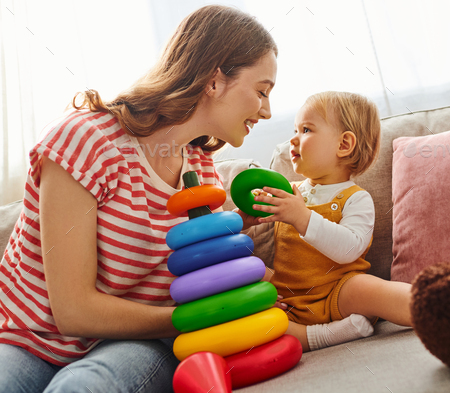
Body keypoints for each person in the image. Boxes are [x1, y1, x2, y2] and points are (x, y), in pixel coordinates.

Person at [0, 5, 281, 392]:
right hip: (27, 340)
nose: (267, 110)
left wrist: (239, 257)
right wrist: (201, 317)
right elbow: (74, 311)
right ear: (215, 80)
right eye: (262, 91)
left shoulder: (200, 171)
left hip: (134, 343)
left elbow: (199, 274)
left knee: (83, 387)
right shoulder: (87, 141)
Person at [237, 91, 413, 352]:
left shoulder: (356, 198)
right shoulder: (289, 192)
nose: (293, 139)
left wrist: (302, 216)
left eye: (306, 129)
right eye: (294, 129)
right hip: (289, 298)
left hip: (339, 292)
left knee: (371, 288)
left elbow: (350, 250)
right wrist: (244, 220)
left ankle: (439, 306)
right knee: (241, 286)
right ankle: (322, 335)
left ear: (344, 144)